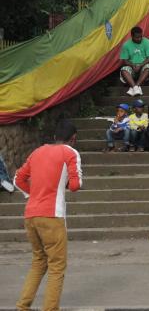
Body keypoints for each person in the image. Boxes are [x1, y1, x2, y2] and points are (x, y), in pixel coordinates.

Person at [16, 119, 82, 311]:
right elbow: (76, 185)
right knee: (56, 267)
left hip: (31, 215)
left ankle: (23, 306)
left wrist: (34, 193)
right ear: (74, 138)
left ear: (54, 137)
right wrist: (67, 184)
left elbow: (18, 179)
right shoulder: (70, 152)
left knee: (39, 262)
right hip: (52, 215)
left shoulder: (37, 152)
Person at [118, 26, 149, 96]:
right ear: (132, 36)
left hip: (144, 65)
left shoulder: (147, 42)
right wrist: (132, 65)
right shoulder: (126, 45)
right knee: (123, 70)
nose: (139, 39)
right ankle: (135, 88)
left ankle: (136, 86)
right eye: (137, 37)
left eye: (141, 36)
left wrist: (140, 65)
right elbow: (125, 60)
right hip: (132, 66)